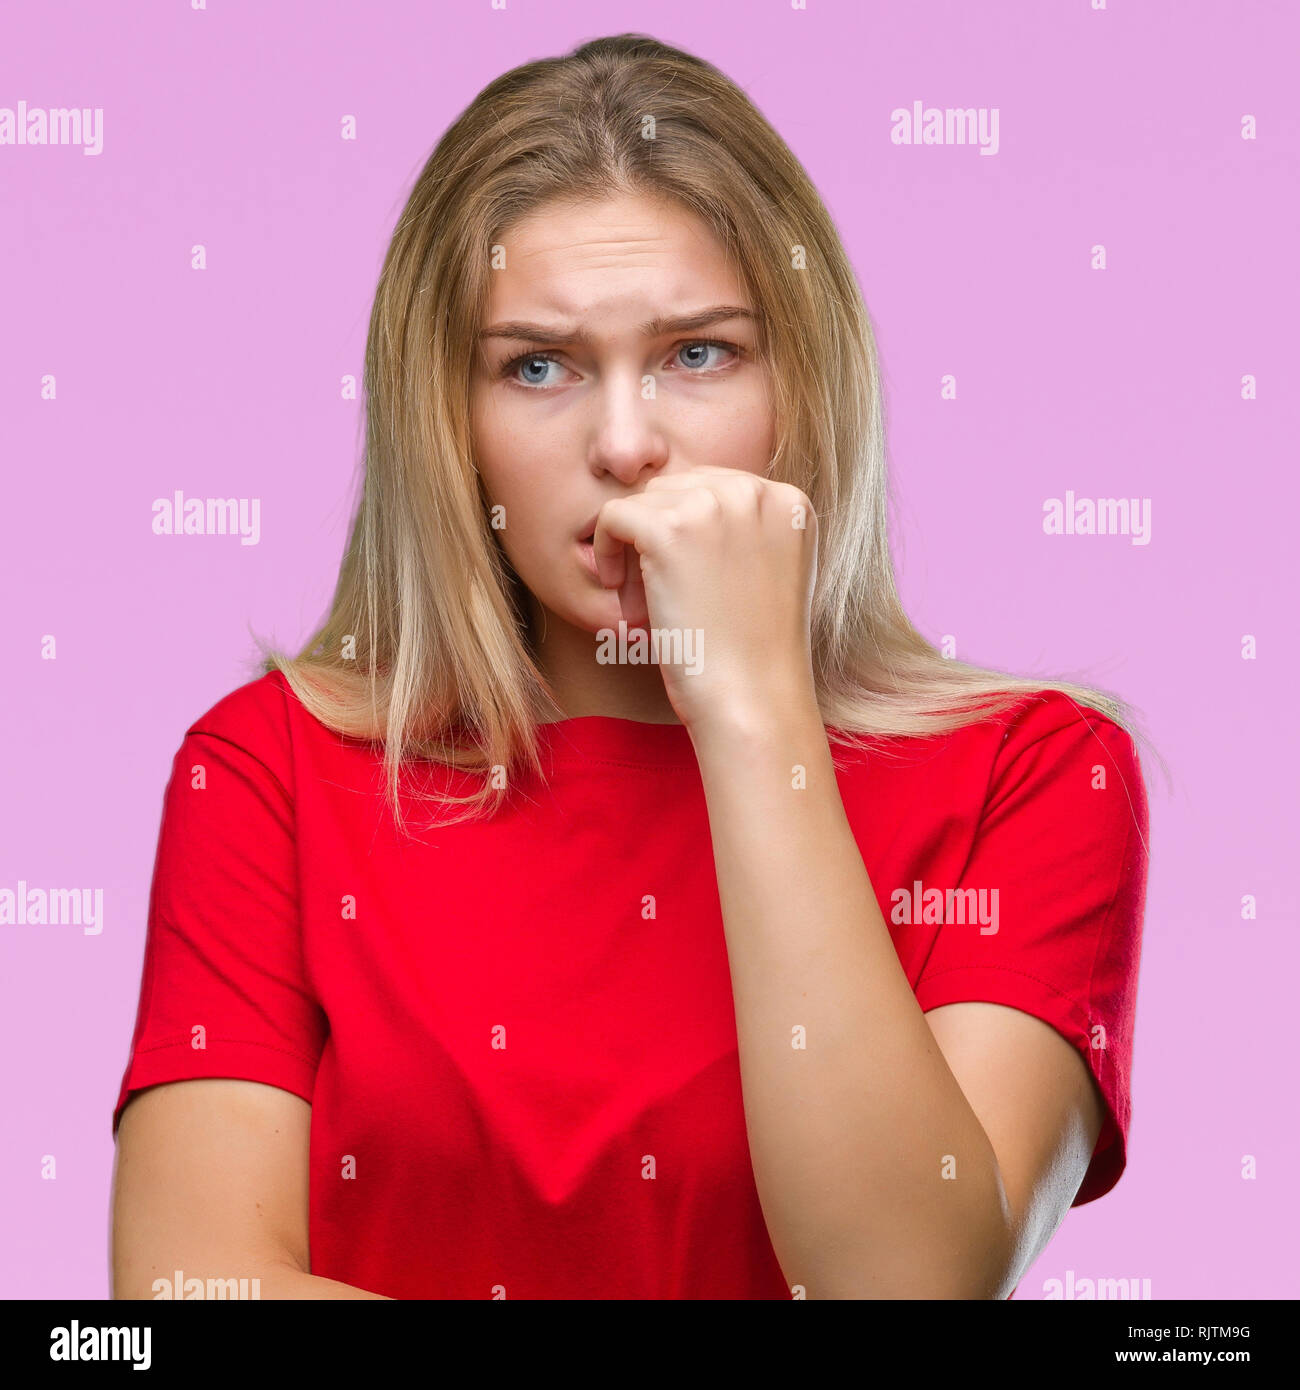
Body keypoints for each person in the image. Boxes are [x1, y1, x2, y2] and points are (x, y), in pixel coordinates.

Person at [110, 33, 1155, 1301]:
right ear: (451, 425)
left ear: (805, 386)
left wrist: (755, 706)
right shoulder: (270, 771)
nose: (625, 443)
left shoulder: (1036, 773)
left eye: (696, 353)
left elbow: (902, 1283)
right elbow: (188, 1293)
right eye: (537, 366)